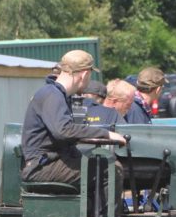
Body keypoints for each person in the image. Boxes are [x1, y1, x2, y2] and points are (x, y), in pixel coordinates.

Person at [21, 50, 126, 191]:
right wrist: (106, 134)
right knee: (112, 169)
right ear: (85, 74)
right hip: (42, 166)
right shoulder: (52, 95)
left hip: (49, 162)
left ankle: (92, 205)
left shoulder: (57, 94)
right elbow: (63, 130)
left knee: (99, 163)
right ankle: (106, 208)